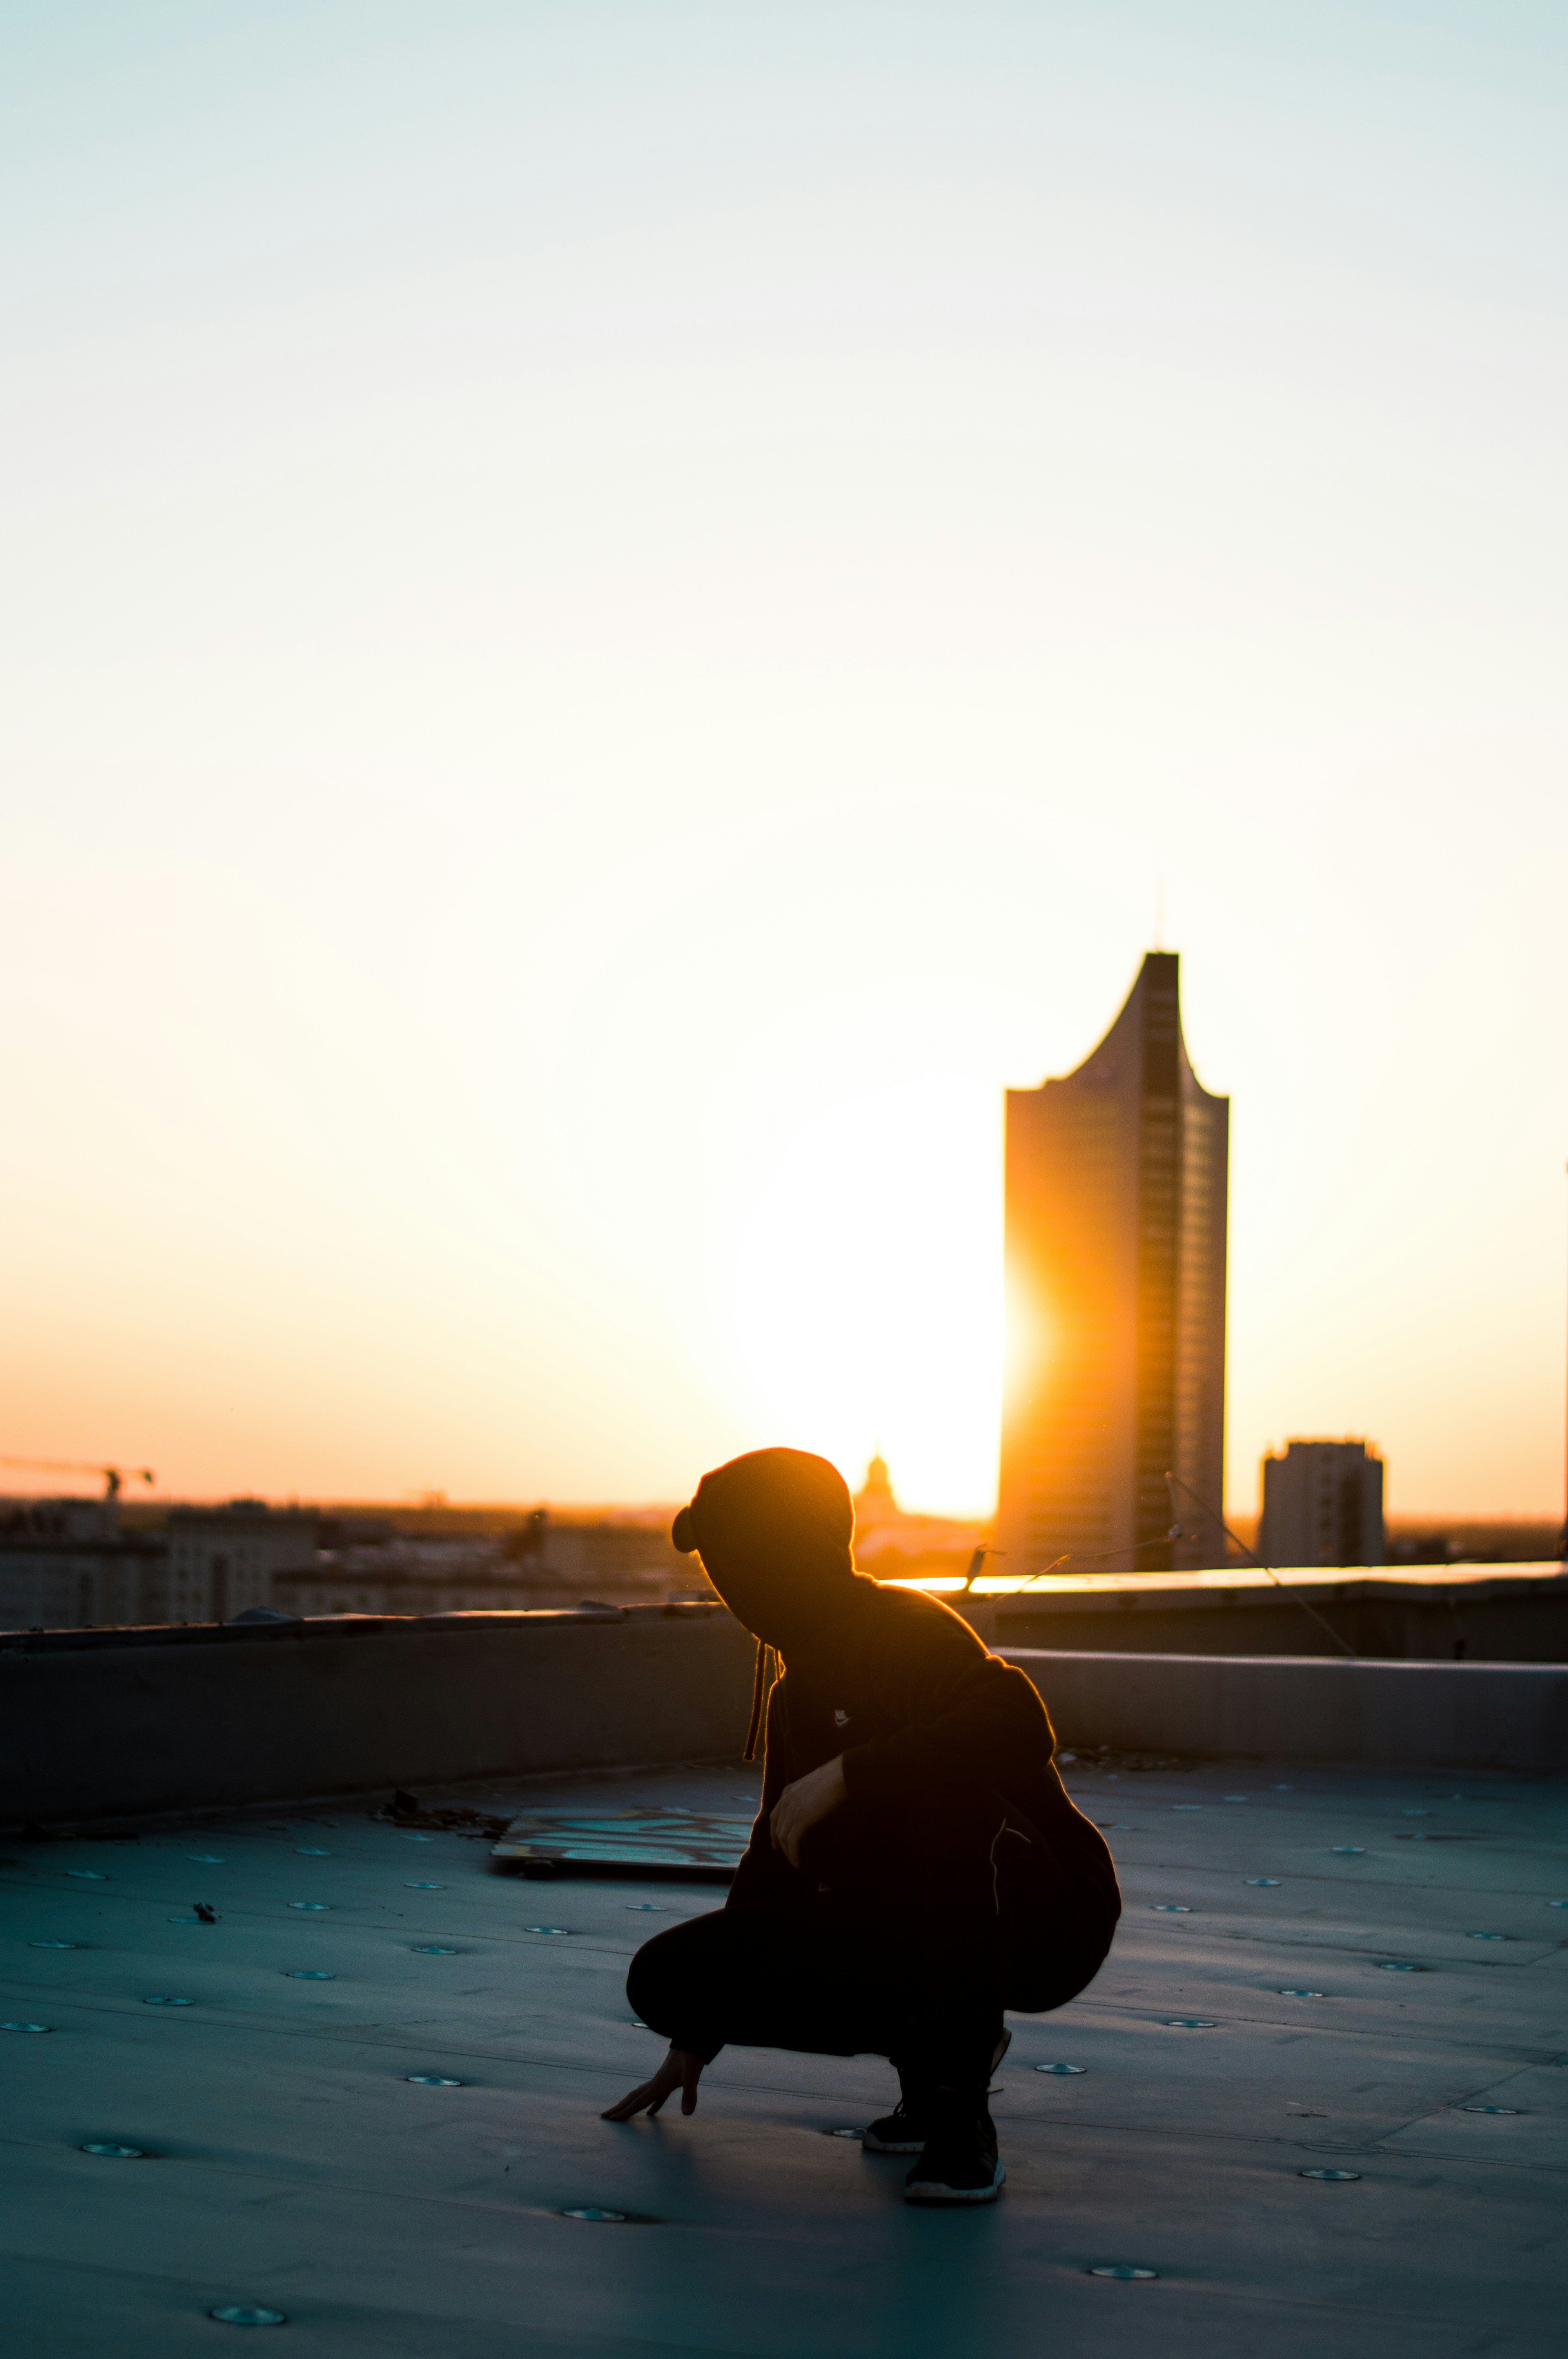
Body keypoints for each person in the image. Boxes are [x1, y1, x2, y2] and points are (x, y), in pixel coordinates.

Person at [602, 1447, 1120, 2203]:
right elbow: (772, 1858)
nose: (729, 1590)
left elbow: (1015, 1719)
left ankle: (960, 2115)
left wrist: (849, 1775)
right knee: (667, 1980)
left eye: (734, 1562)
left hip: (1048, 1916)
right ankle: (929, 2044)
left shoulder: (905, 1630)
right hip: (918, 1917)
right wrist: (697, 2034)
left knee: (944, 1804)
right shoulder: (796, 1691)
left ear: (780, 1556)